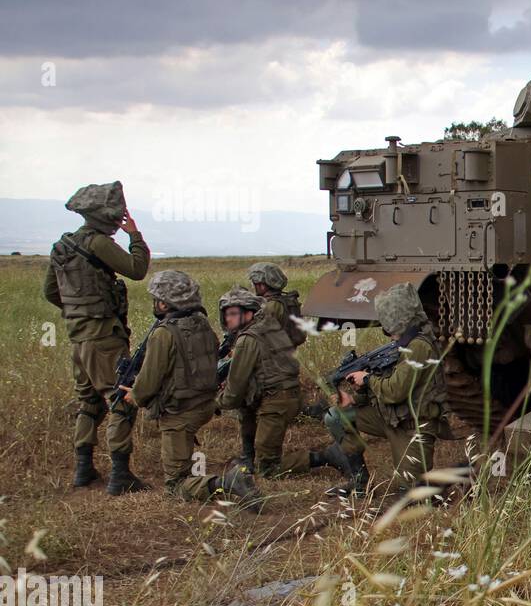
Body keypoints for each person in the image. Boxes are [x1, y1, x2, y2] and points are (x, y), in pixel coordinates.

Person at [43, 181, 151, 493]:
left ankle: (83, 470)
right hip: (104, 336)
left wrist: (78, 312)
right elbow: (137, 269)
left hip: (78, 338)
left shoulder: (62, 246)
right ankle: (120, 475)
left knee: (88, 403)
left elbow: (51, 291)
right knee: (120, 399)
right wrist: (134, 236)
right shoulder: (98, 243)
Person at [118, 271, 258, 504]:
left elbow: (149, 380)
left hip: (180, 412)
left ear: (164, 302)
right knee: (183, 452)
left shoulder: (164, 333)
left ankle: (226, 483)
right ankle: (199, 469)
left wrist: (136, 396)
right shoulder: (201, 323)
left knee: (175, 485)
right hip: (204, 404)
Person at [324, 283, 449, 496]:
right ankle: (359, 481)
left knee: (412, 494)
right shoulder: (399, 346)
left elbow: (394, 391)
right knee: (337, 417)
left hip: (413, 427)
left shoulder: (418, 346)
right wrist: (358, 394)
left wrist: (368, 379)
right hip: (390, 417)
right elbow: (382, 387)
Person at [215, 287, 348, 478]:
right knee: (252, 422)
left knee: (268, 469)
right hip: (285, 396)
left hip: (277, 402)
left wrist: (216, 402)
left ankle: (329, 456)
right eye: (227, 314)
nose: (228, 319)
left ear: (249, 313)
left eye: (233, 314)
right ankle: (251, 457)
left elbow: (235, 391)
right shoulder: (268, 327)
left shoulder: (247, 339)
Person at [247, 262, 307, 347]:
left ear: (262, 285)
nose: (254, 286)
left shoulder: (270, 306)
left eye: (255, 283)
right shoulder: (287, 301)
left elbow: (256, 336)